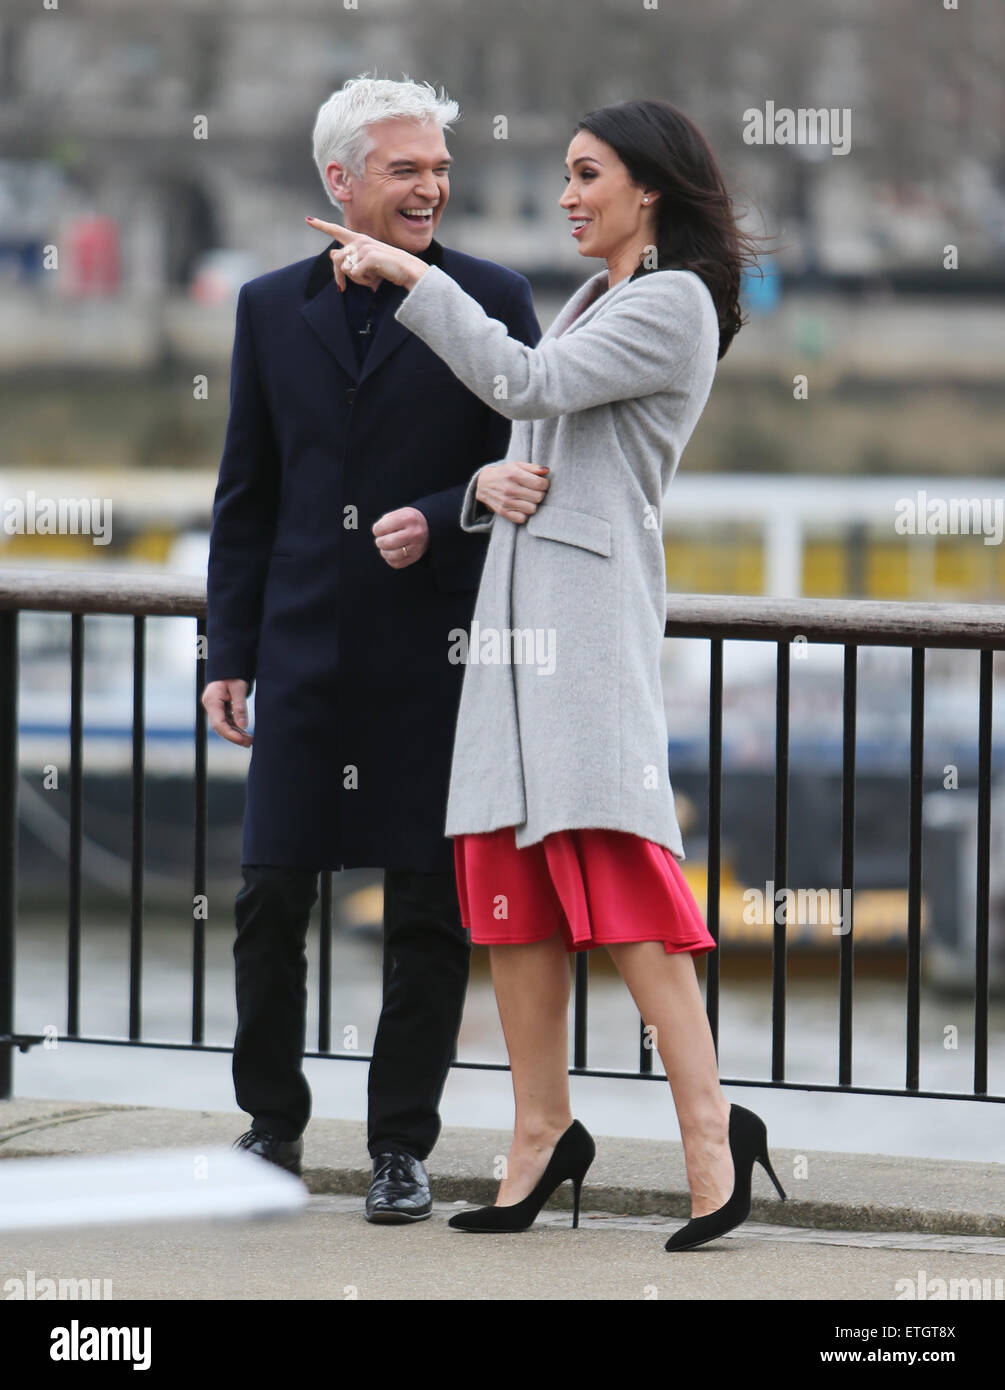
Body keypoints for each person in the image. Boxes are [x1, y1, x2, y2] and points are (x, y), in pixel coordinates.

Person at [308, 97, 789, 1252]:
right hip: (520, 617)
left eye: (586, 175)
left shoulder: (671, 303)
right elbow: (533, 437)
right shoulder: (601, 296)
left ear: (651, 189)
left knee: (620, 885)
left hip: (583, 628)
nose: (567, 196)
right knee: (509, 883)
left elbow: (523, 386)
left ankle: (713, 1143)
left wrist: (413, 281)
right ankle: (539, 1134)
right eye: (566, 176)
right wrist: (485, 493)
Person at [204, 76, 540, 1224]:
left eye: (440, 168)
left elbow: (533, 475)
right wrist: (226, 649)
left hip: (437, 654)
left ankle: (401, 1147)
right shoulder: (263, 307)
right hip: (298, 655)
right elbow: (246, 497)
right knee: (267, 896)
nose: (432, 186)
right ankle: (270, 1129)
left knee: (428, 911)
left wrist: (441, 514)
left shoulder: (489, 300)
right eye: (407, 169)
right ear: (340, 182)